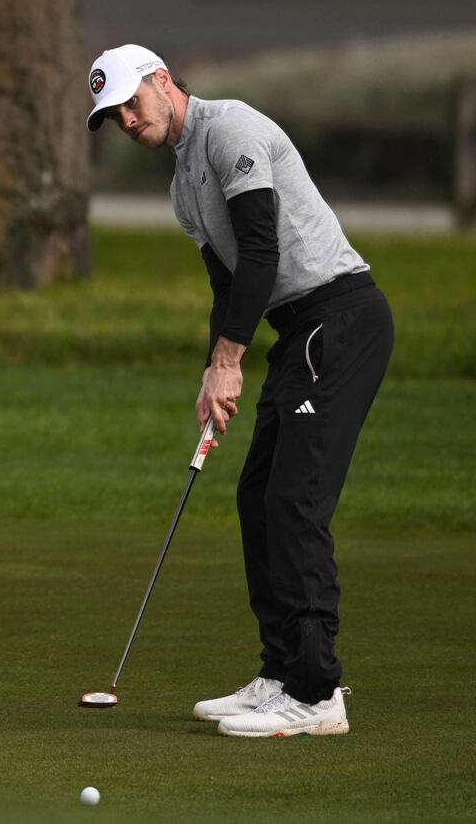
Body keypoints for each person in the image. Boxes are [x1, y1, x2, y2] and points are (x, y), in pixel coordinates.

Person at [85, 44, 392, 736]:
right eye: (113, 116)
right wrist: (213, 371)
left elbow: (261, 251)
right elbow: (229, 286)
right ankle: (281, 671)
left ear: (163, 82)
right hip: (297, 332)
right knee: (258, 496)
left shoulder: (231, 130)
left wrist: (231, 359)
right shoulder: (180, 187)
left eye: (134, 102)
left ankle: (316, 693)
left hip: (340, 319)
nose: (129, 121)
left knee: (294, 500)